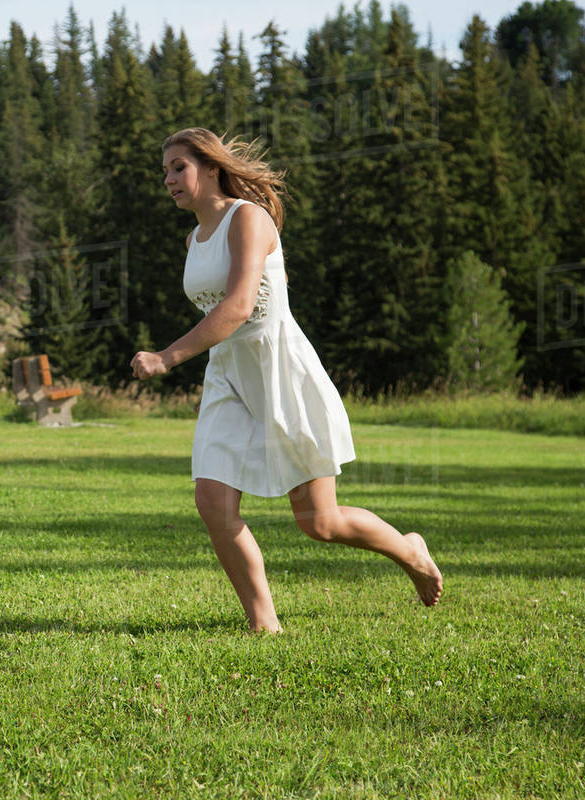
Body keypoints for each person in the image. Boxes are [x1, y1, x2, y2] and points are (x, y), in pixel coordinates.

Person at [131, 128, 442, 633]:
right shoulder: (193, 238)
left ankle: (409, 550)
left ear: (210, 167)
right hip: (227, 377)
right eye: (164, 170)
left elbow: (236, 306)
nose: (168, 179)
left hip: (281, 374)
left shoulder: (247, 219)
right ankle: (264, 625)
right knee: (212, 503)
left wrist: (167, 357)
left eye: (178, 167)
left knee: (320, 522)